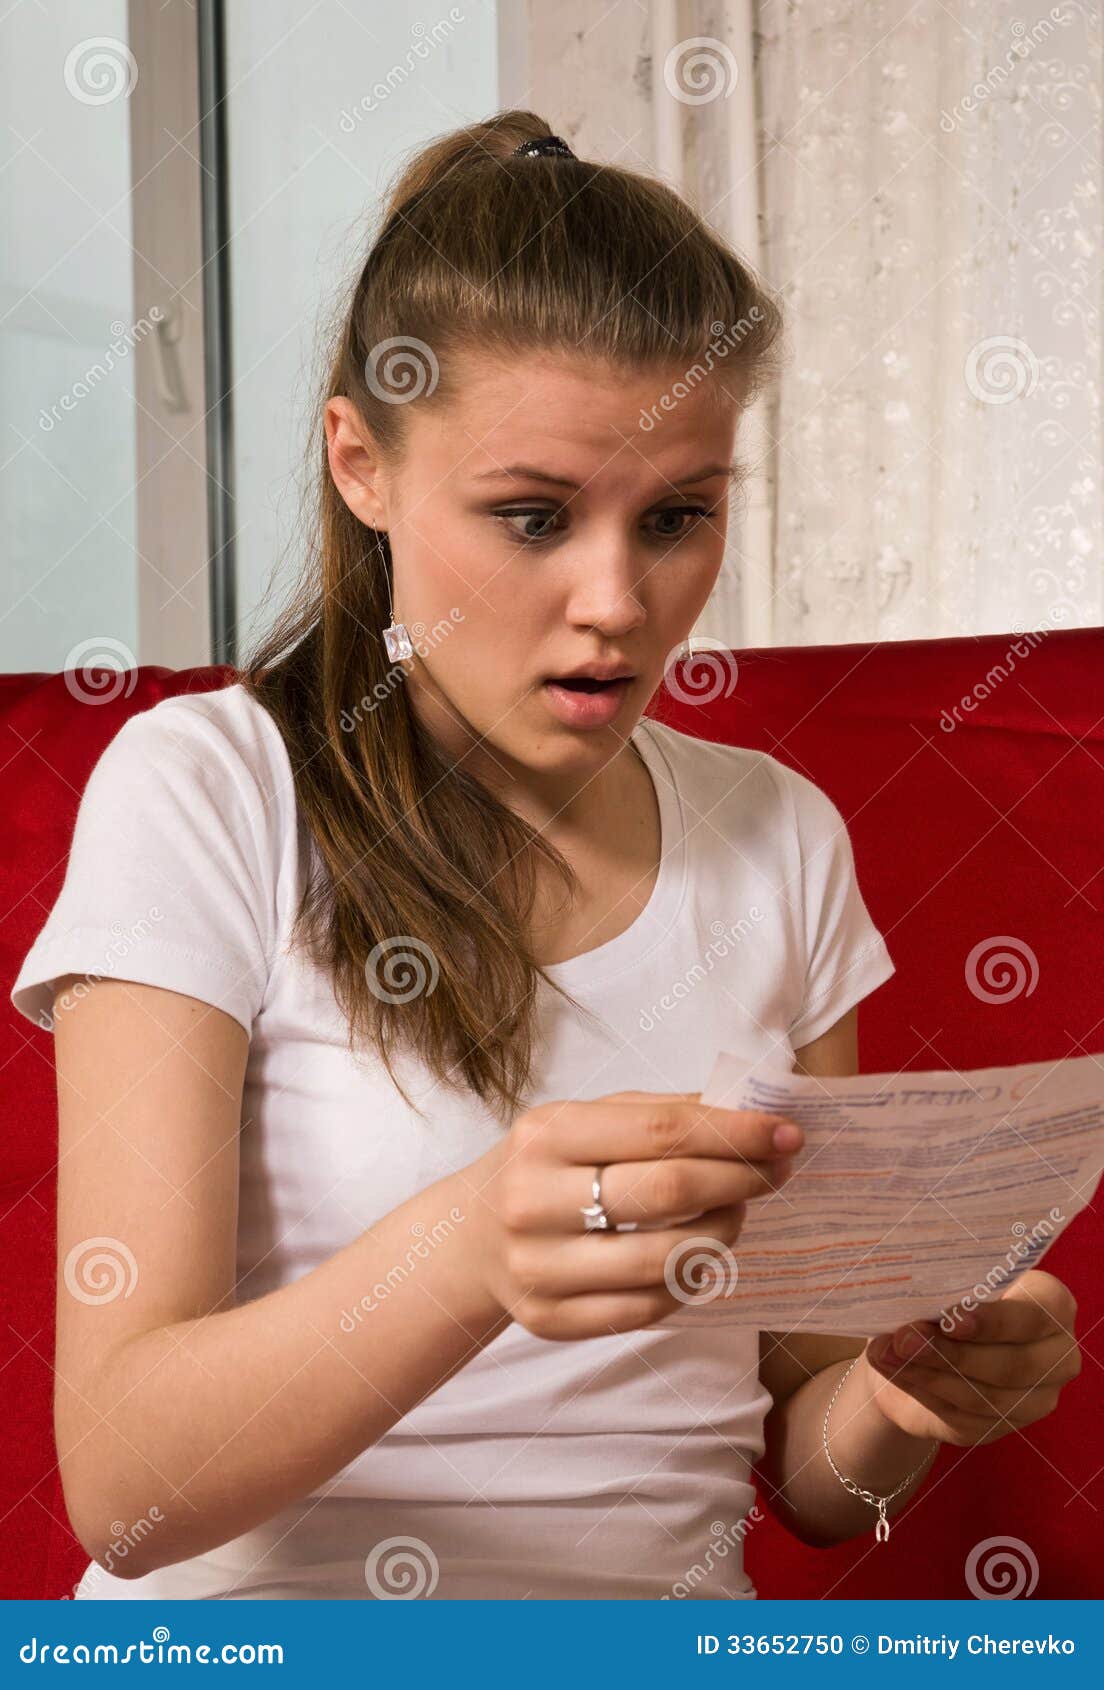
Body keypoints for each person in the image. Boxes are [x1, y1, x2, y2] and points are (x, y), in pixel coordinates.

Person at [11, 112, 1081, 1602]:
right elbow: (125, 1490)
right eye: (532, 515)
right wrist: (461, 1254)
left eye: (677, 519)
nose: (615, 602)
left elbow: (815, 1472)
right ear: (361, 464)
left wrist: (902, 1396)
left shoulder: (781, 835)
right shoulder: (211, 790)